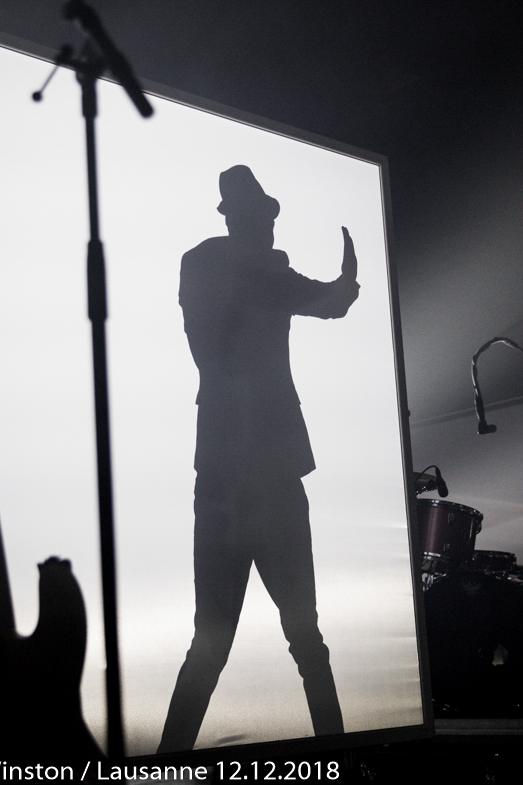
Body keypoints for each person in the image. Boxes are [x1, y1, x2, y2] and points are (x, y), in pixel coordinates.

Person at [157, 165, 358, 753]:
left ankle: (336, 766)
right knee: (234, 642)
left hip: (250, 477)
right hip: (236, 481)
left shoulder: (260, 269)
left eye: (271, 220)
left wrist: (343, 279)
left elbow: (330, 303)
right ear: (237, 220)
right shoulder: (209, 264)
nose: (272, 229)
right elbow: (300, 299)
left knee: (294, 638)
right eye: (263, 220)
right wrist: (332, 282)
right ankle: (164, 773)